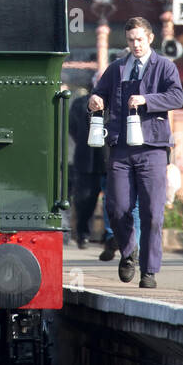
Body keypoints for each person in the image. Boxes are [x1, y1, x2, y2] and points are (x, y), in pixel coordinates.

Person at [89, 16, 183, 288]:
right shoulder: (117, 68)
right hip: (120, 148)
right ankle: (129, 251)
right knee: (116, 207)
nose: (136, 45)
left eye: (140, 39)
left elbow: (177, 97)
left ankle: (149, 271)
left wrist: (148, 100)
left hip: (153, 149)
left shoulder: (165, 67)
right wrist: (95, 101)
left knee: (153, 212)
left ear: (150, 38)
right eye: (131, 40)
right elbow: (99, 95)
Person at [68, 90, 110, 249]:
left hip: (108, 158)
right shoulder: (80, 103)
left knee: (112, 201)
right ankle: (83, 234)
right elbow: (72, 127)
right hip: (87, 159)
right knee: (84, 201)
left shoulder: (114, 101)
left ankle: (109, 236)